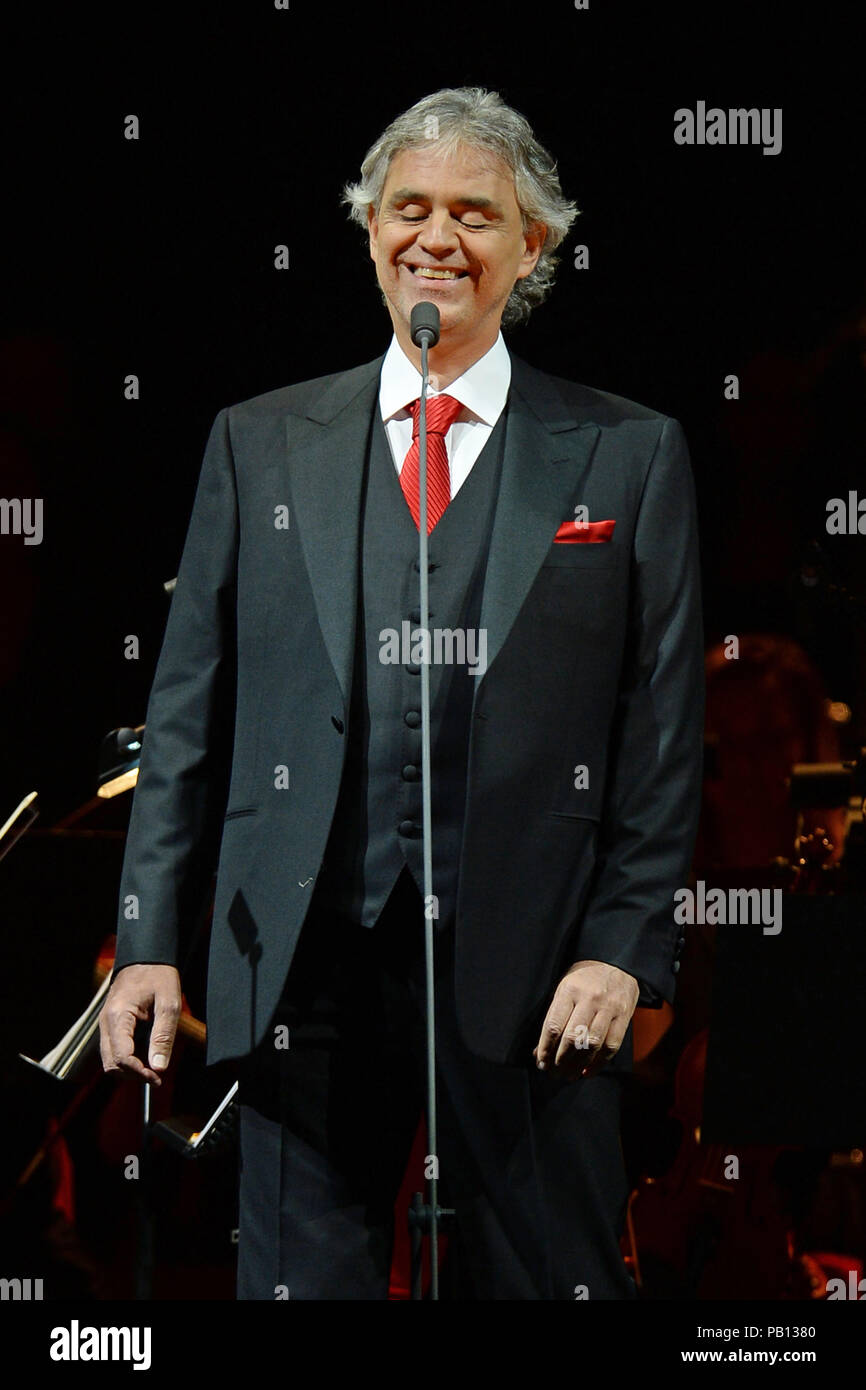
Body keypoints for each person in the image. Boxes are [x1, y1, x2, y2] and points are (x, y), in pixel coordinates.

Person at [98, 86, 704, 1300]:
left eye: (473, 213)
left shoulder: (628, 453)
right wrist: (148, 941)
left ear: (531, 244)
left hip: (537, 976)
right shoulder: (258, 442)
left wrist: (622, 950)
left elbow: (660, 737)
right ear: (369, 229)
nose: (435, 236)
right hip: (302, 967)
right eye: (407, 207)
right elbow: (186, 716)